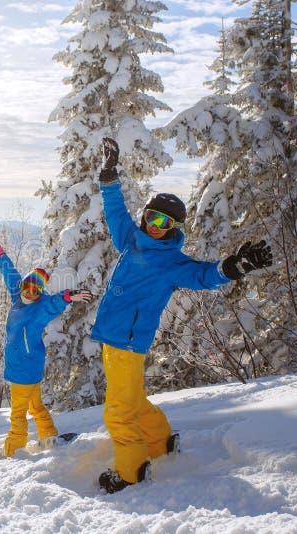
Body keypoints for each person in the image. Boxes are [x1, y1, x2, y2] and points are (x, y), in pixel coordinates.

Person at [92, 137, 273, 493]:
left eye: (165, 221)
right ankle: (160, 443)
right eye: (152, 217)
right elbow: (115, 211)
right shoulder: (131, 239)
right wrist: (109, 175)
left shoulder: (172, 262)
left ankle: (131, 470)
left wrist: (233, 266)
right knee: (132, 399)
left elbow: (203, 274)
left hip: (127, 342)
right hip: (113, 339)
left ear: (174, 228)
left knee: (118, 410)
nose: (156, 225)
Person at [0, 234, 94, 457]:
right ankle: (49, 437)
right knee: (35, 406)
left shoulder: (39, 309)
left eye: (36, 290)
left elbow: (53, 303)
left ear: (40, 293)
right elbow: (10, 273)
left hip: (23, 370)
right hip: (29, 367)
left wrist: (68, 296)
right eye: (27, 286)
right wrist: (0, 253)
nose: (30, 292)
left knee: (18, 412)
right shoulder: (18, 296)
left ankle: (14, 448)